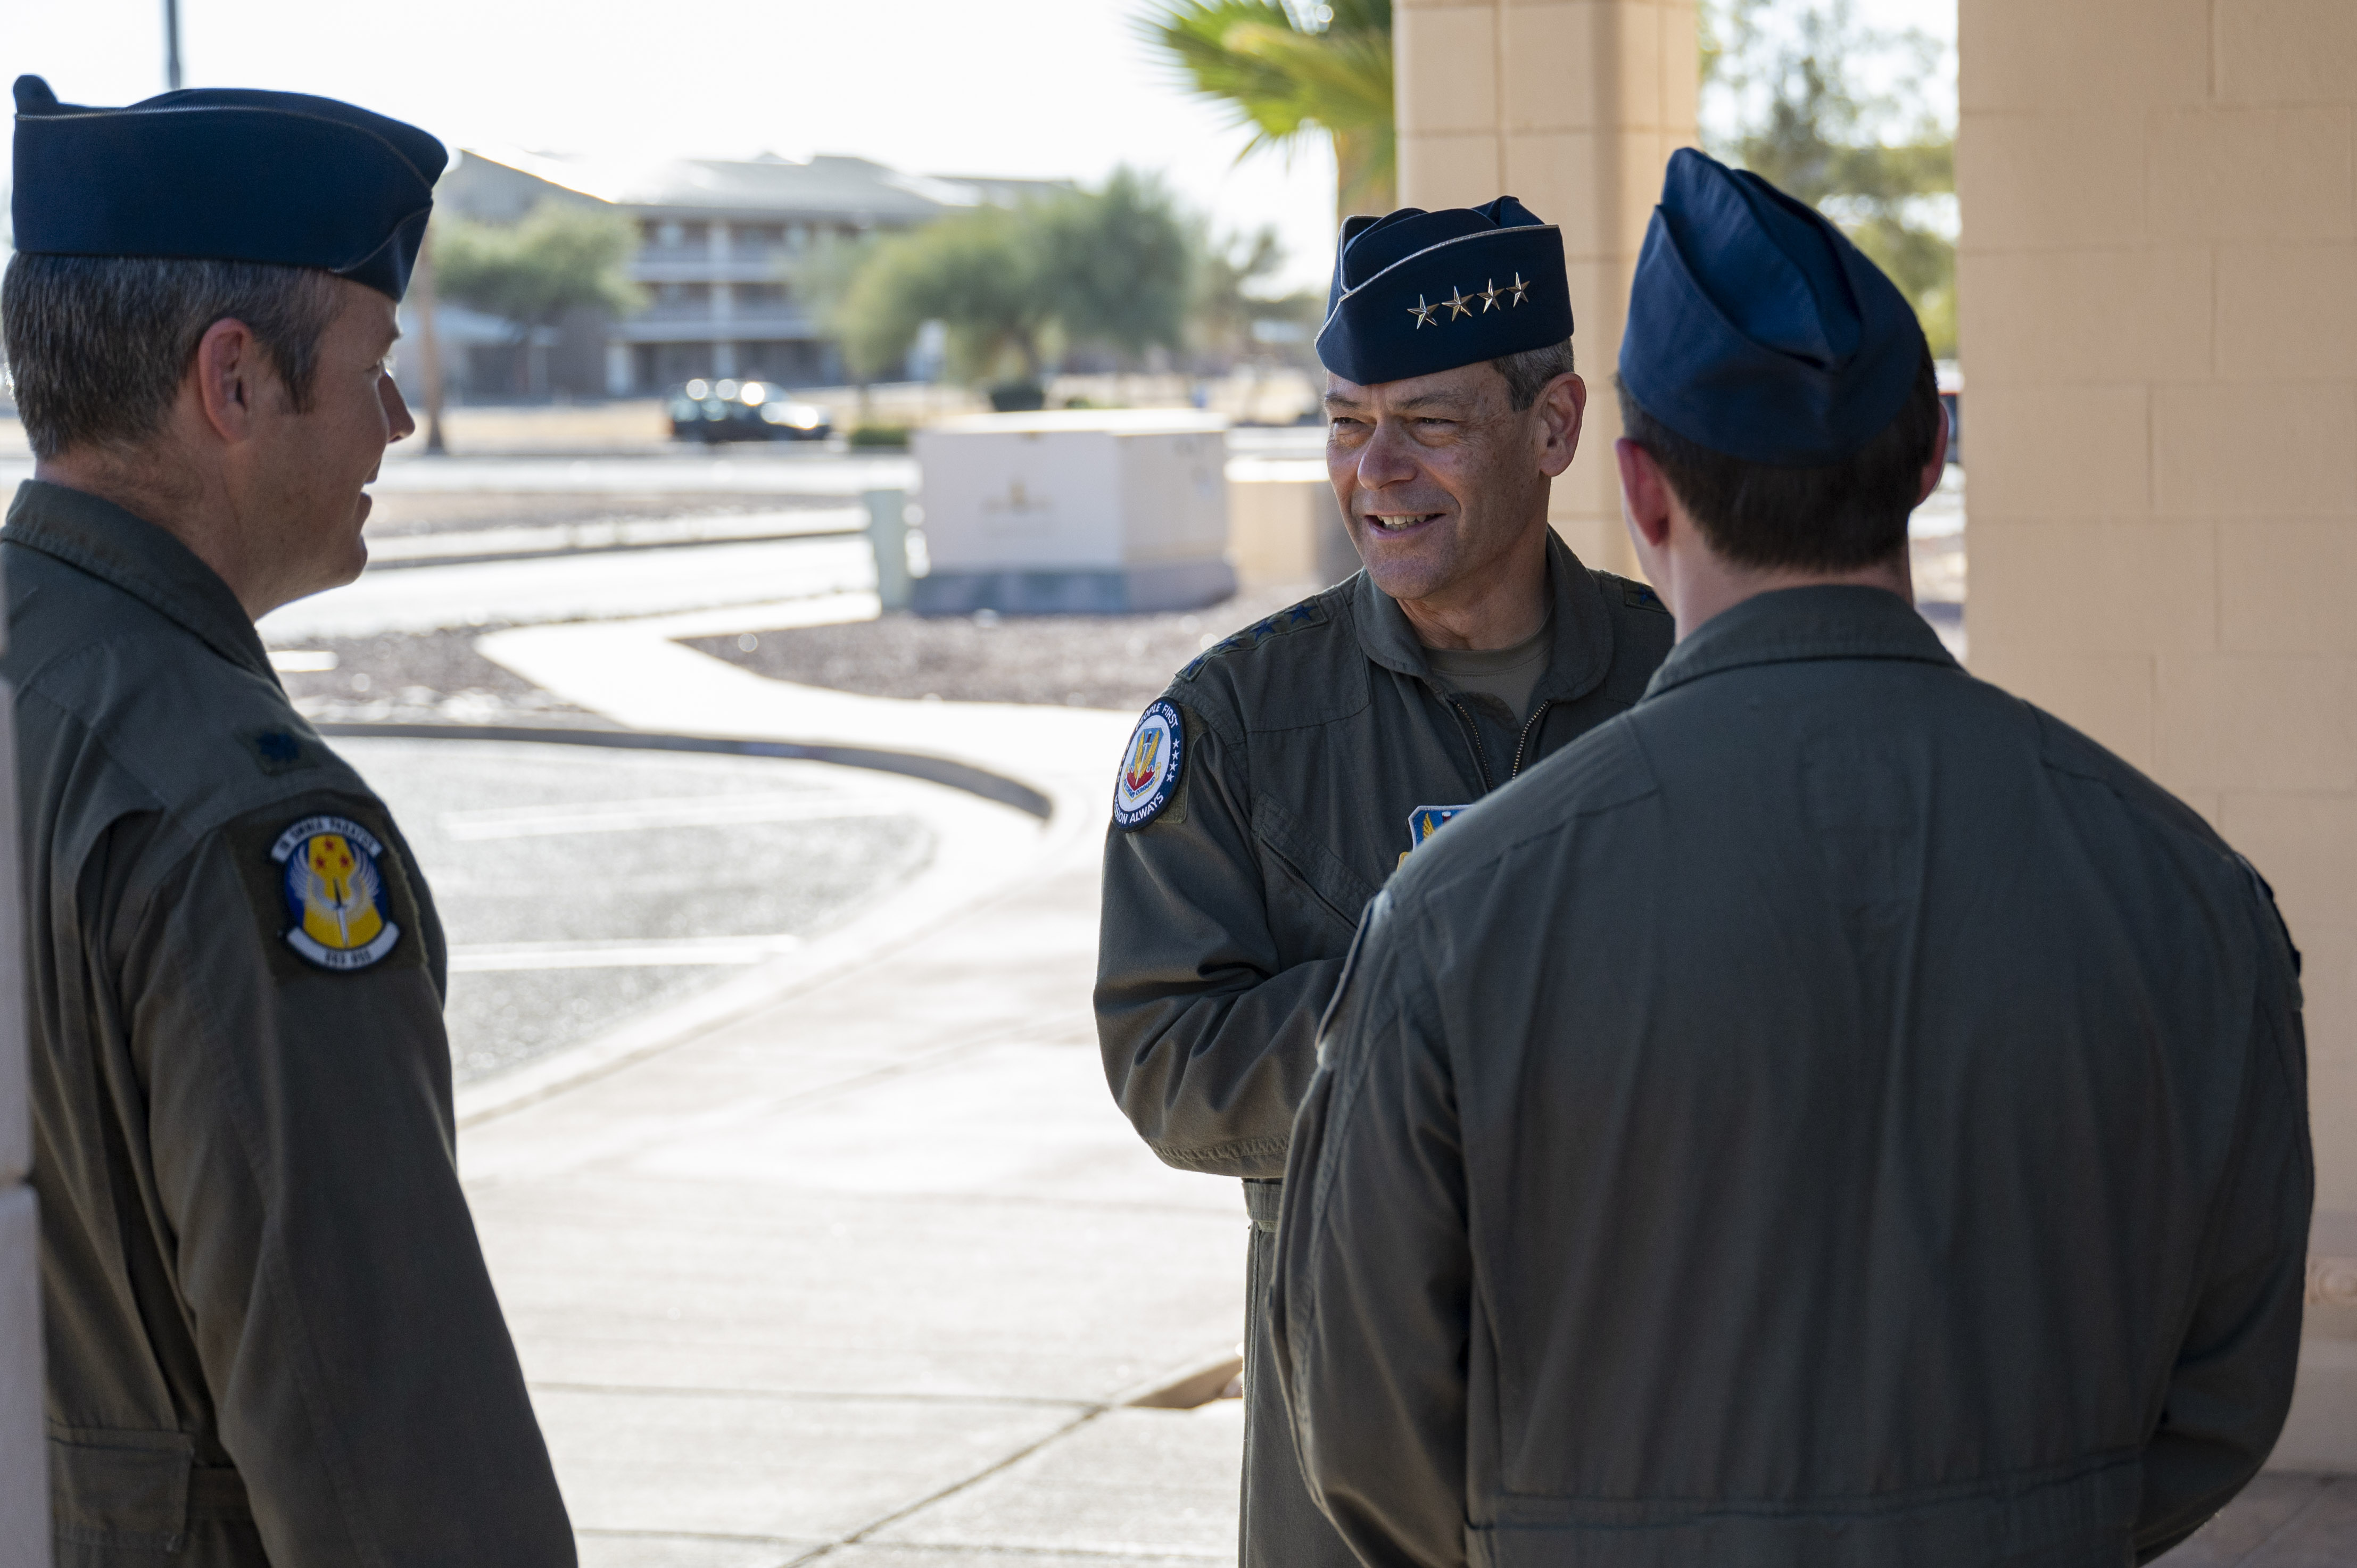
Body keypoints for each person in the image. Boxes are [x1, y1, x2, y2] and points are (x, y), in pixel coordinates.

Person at [1269, 147, 2312, 1568]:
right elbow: (2227, 1388)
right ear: (1928, 458)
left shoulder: (1458, 917)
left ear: (1639, 490)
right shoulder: (2190, 893)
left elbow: (1369, 1430)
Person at [4, 77, 575, 1563]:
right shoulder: (238, 815)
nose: (396, 418)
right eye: (375, 362)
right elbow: (376, 1428)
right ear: (235, 382)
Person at [1095, 196, 1674, 1567]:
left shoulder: (1683, 684)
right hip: (1355, 1490)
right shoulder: (1235, 722)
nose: (1376, 471)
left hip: (1651, 1435)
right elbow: (1170, 1068)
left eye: (1429, 422)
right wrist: (1429, 1024)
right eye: (1347, 422)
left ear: (1554, 426)